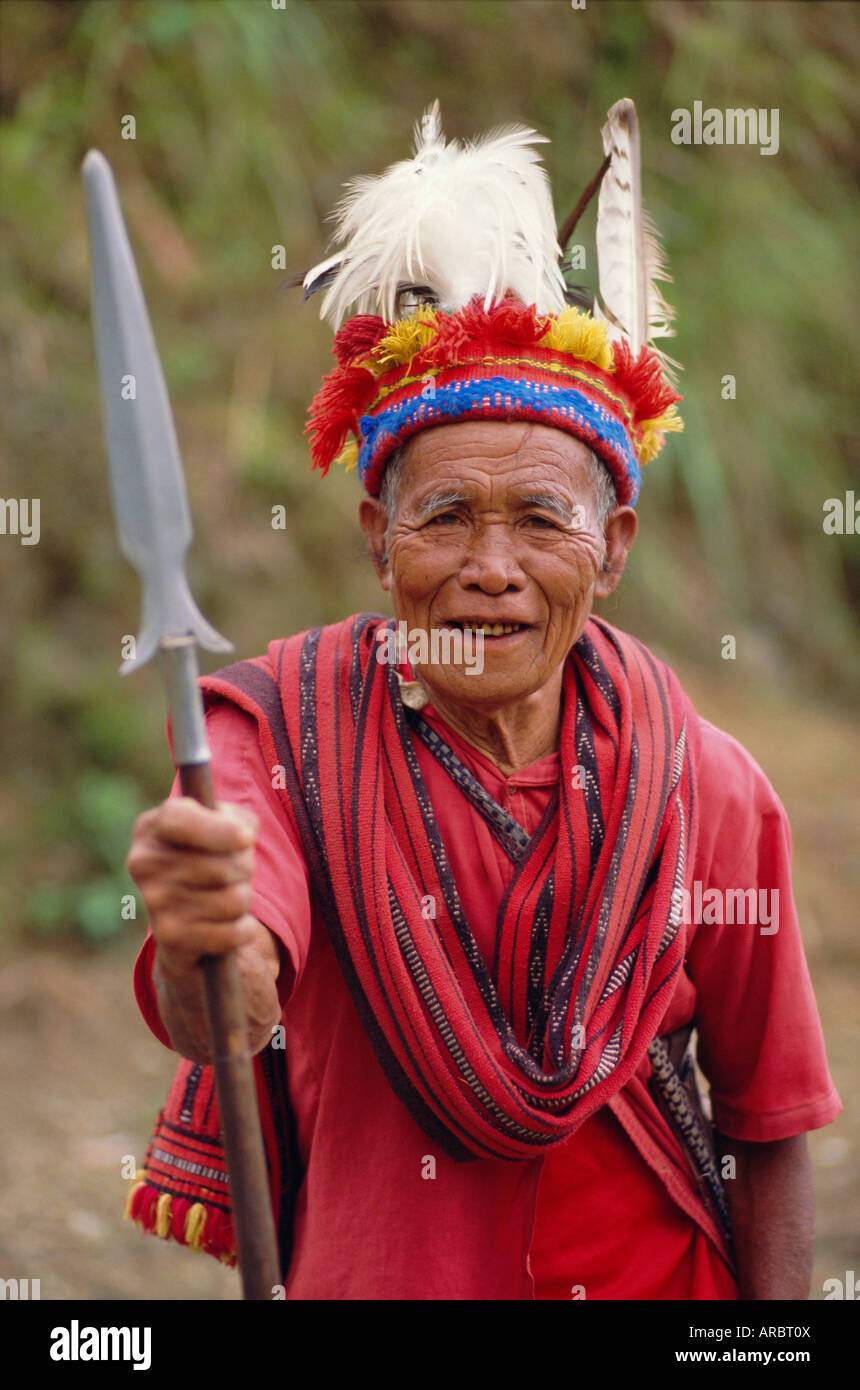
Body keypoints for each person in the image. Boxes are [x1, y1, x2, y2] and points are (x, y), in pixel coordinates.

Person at [125, 104, 840, 1300]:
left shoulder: (703, 785)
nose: (490, 568)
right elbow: (227, 1001)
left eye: (540, 522)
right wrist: (210, 929)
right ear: (377, 540)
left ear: (610, 550)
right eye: (445, 516)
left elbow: (767, 1122)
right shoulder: (277, 740)